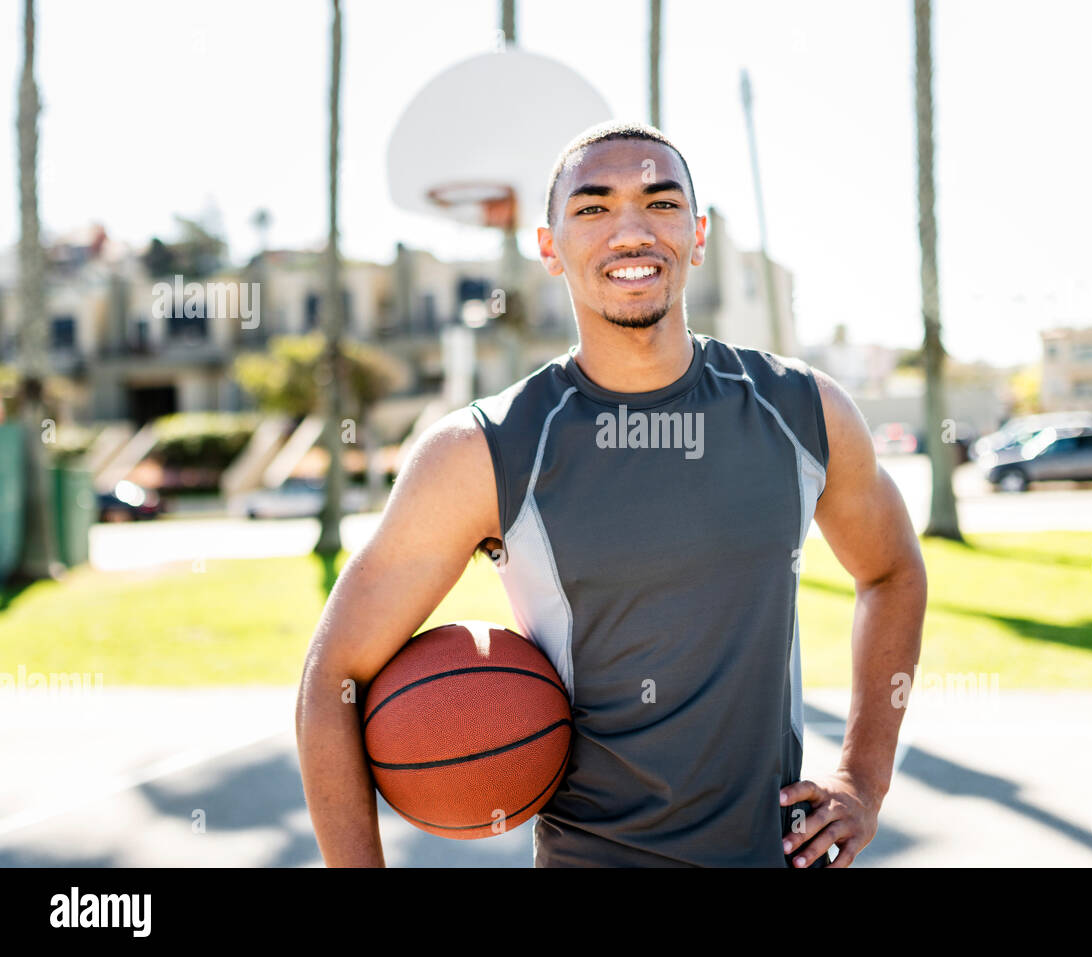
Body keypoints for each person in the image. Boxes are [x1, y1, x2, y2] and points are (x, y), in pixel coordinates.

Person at [296, 120, 926, 868]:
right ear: (549, 246)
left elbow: (891, 572)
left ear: (696, 234)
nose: (630, 231)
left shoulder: (801, 412)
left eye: (660, 203)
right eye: (592, 208)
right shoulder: (483, 452)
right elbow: (331, 678)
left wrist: (863, 777)